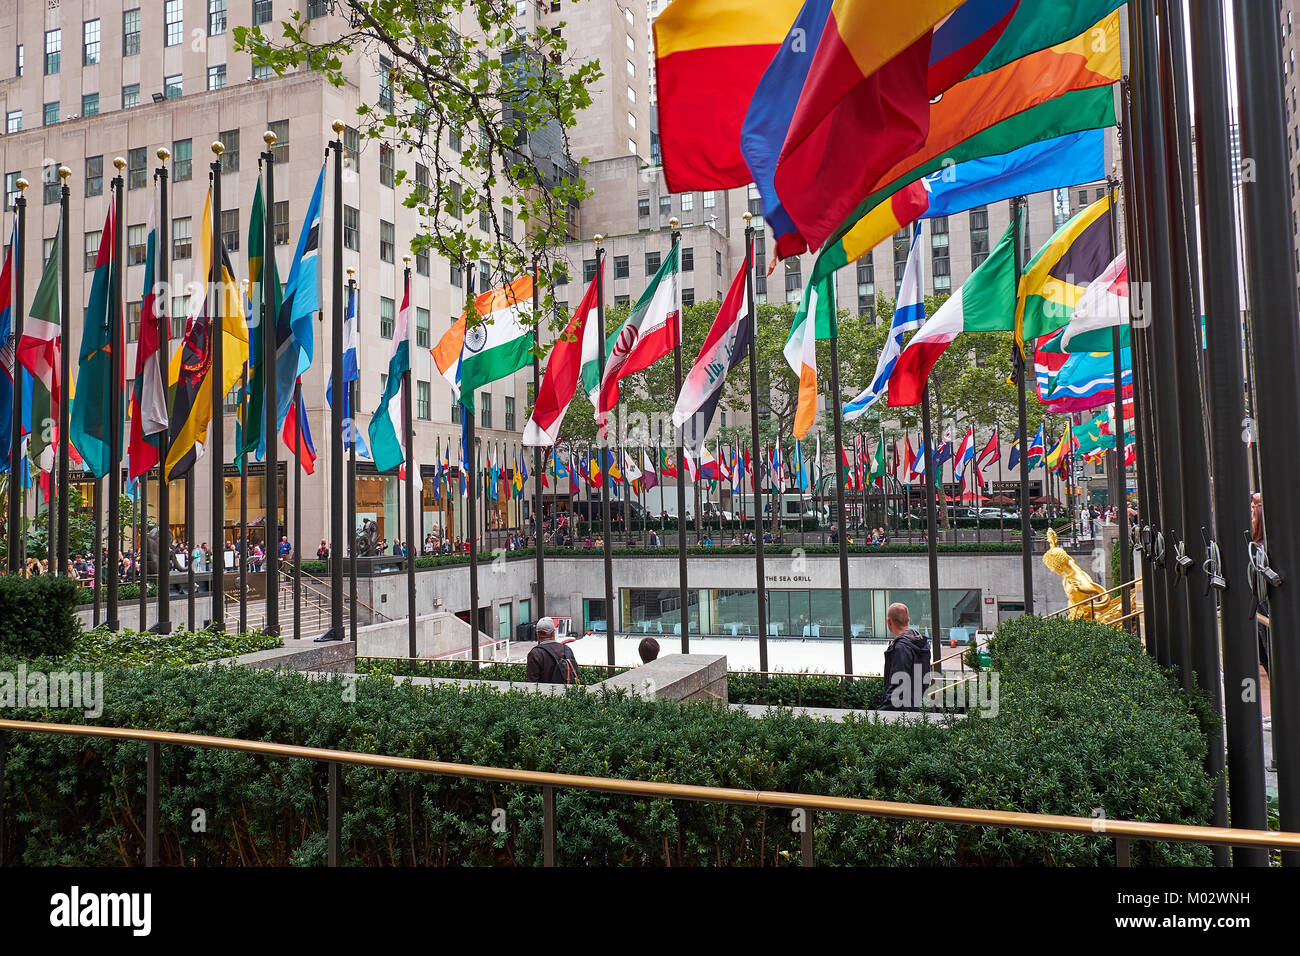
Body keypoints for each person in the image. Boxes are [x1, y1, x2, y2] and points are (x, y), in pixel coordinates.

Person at [879, 602, 931, 711]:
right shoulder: (922, 644)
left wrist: (880, 715)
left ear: (889, 621)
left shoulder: (901, 648)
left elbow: (897, 688)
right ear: (908, 620)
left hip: (900, 713)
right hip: (916, 709)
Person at [525, 617, 581, 685]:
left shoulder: (535, 653)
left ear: (537, 634)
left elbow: (531, 683)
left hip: (546, 691)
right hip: (567, 690)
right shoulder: (566, 649)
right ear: (553, 633)